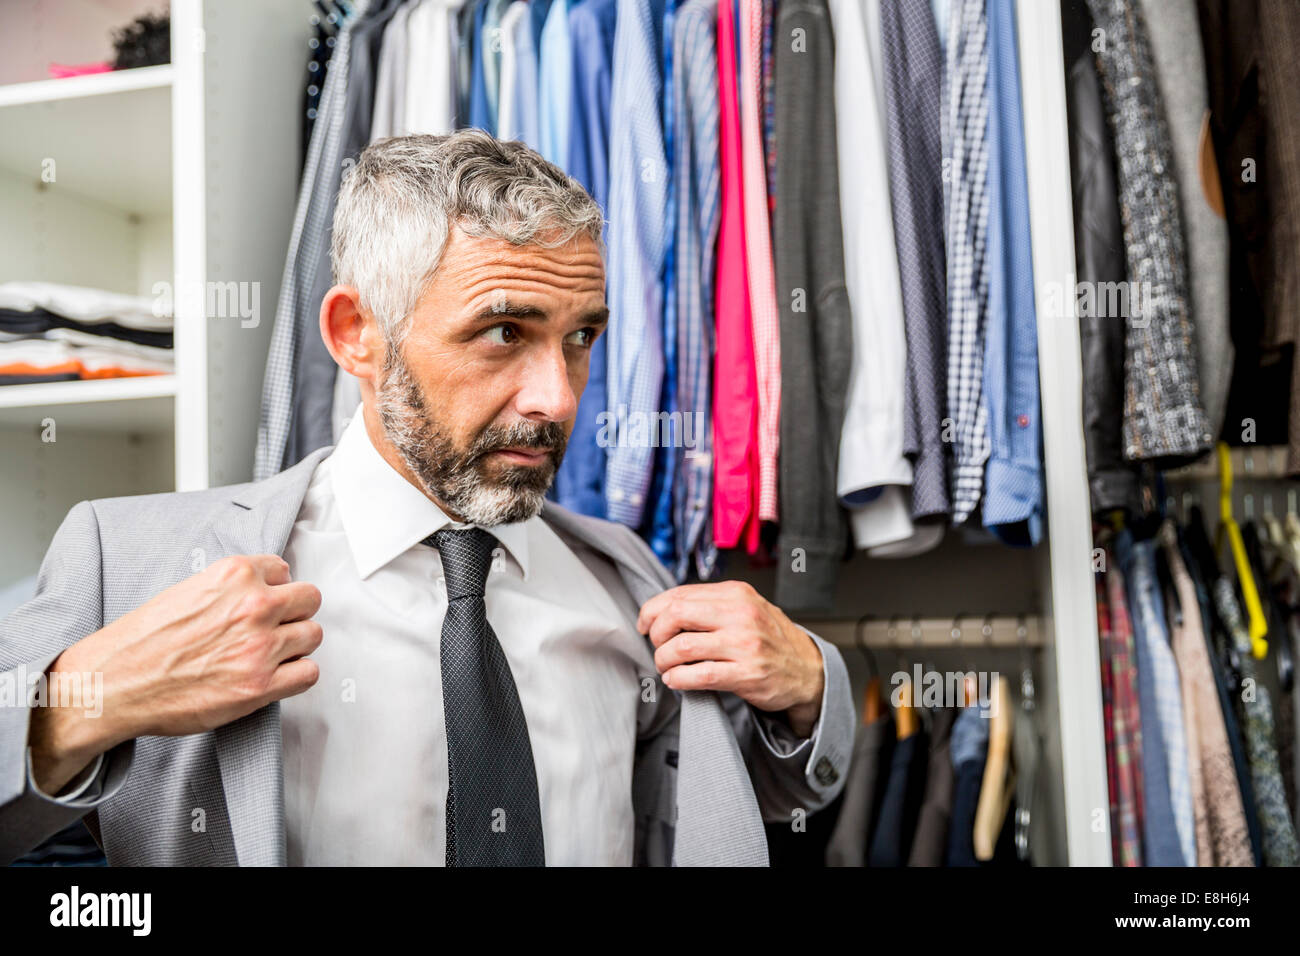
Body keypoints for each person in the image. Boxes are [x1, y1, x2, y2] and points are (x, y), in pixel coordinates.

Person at [0, 131, 853, 866]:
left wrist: (811, 690)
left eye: (581, 337)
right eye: (503, 333)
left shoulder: (626, 578)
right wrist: (90, 697)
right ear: (355, 334)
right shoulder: (135, 559)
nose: (557, 398)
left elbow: (732, 802)